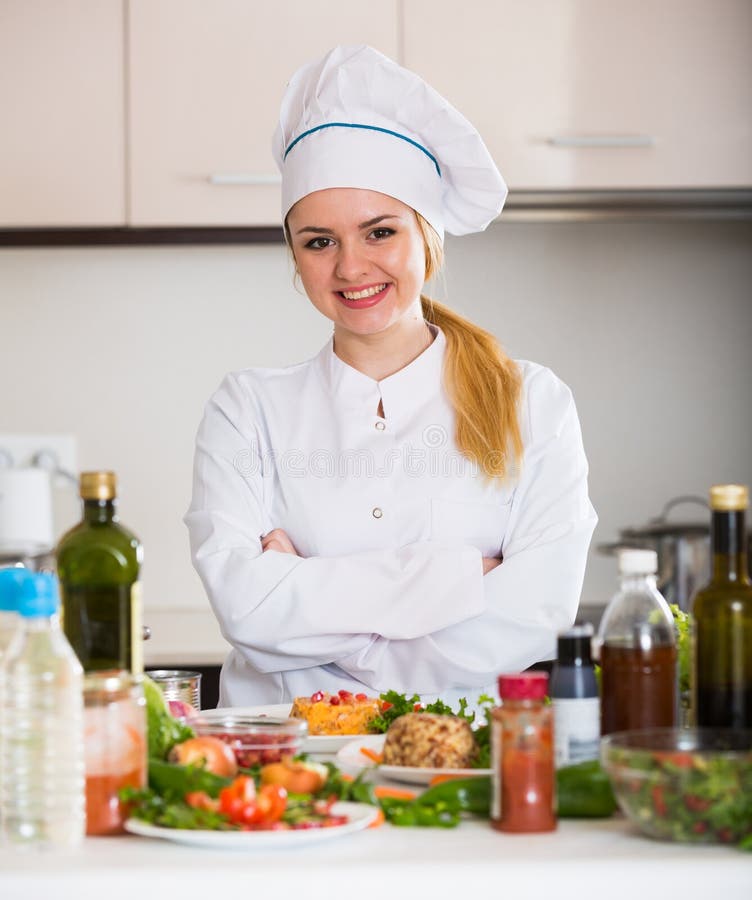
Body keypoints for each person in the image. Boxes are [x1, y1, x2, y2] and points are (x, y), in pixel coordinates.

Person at [185, 45, 598, 709]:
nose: (350, 266)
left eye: (379, 232)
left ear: (427, 237)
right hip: (285, 768)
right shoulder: (247, 409)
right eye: (319, 241)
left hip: (459, 761)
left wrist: (308, 595)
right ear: (295, 256)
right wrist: (461, 580)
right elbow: (246, 609)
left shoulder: (533, 403)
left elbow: (530, 623)